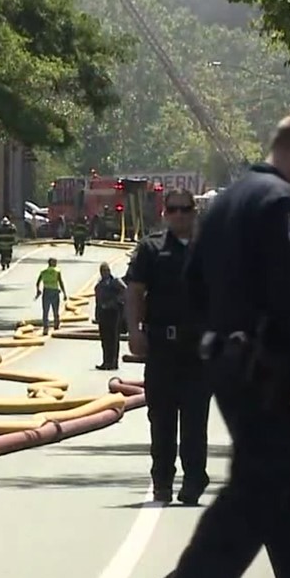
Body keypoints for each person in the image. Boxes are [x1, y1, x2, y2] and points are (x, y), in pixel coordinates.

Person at [145, 111, 290, 578]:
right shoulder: (280, 203)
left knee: (285, 486)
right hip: (270, 368)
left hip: (230, 363)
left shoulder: (228, 201)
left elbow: (193, 282)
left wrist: (220, 332)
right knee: (255, 492)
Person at [125, 188, 211, 505]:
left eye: (185, 210)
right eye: (173, 210)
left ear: (194, 212)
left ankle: (194, 480)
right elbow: (134, 292)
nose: (179, 215)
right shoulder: (151, 248)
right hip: (162, 346)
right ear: (165, 213)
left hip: (198, 350)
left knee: (194, 421)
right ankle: (162, 481)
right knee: (161, 419)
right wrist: (134, 331)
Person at [93, 261, 126, 370]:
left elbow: (125, 292)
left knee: (113, 338)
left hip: (114, 313)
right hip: (103, 314)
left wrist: (115, 301)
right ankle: (105, 361)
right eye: (102, 271)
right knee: (104, 339)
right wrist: (97, 315)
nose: (104, 273)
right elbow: (97, 301)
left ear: (109, 271)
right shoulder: (99, 285)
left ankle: (113, 362)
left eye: (105, 271)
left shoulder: (116, 281)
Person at [35, 257, 66, 335]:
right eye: (55, 262)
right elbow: (60, 282)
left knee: (45, 311)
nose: (56, 264)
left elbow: (37, 282)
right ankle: (56, 324)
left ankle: (45, 328)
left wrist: (38, 290)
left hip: (46, 291)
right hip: (55, 291)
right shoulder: (57, 271)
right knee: (55, 309)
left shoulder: (43, 271)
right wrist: (64, 293)